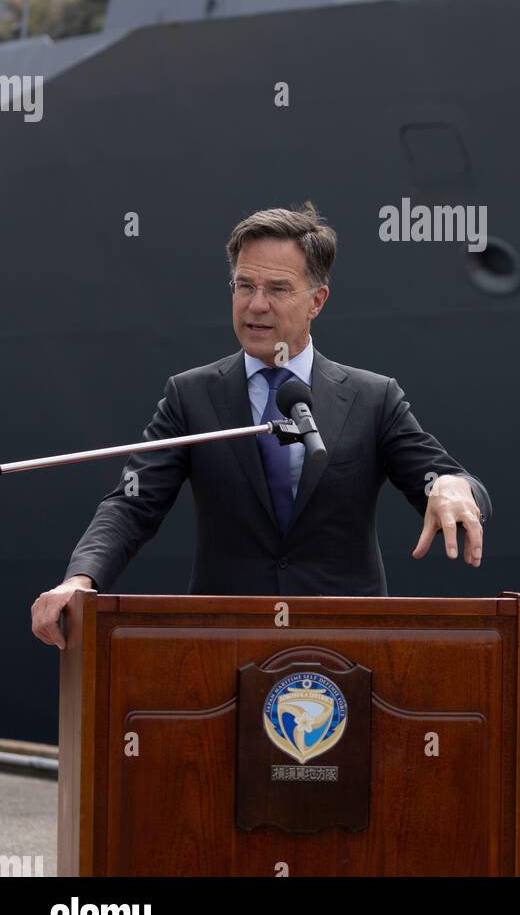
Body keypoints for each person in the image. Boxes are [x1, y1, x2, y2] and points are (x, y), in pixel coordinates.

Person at [32, 203, 491, 649]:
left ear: (317, 300)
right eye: (244, 285)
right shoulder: (191, 395)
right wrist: (81, 578)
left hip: (347, 644)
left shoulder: (373, 398)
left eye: (277, 289)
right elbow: (133, 504)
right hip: (224, 643)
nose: (256, 305)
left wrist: (452, 485)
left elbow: (442, 479)